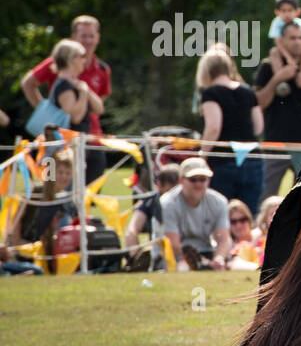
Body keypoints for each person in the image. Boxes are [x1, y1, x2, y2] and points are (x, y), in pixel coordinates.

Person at [21, 16, 112, 184]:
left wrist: (83, 89)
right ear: (74, 37)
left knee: (89, 195)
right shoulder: (59, 64)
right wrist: (48, 114)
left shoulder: (101, 68)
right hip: (66, 142)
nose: (88, 41)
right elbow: (28, 83)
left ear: (98, 38)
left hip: (91, 138)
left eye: (91, 36)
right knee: (62, 192)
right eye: (83, 36)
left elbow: (99, 107)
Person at [253, 21, 301, 202]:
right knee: (265, 197)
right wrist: (277, 79)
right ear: (282, 41)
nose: (297, 42)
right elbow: (259, 103)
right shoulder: (268, 66)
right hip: (275, 144)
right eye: (292, 38)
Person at [197, 45, 264, 207]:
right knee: (248, 216)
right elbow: (258, 127)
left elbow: (213, 127)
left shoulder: (210, 93)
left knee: (220, 212)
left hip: (223, 162)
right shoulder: (248, 91)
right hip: (253, 160)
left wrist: (202, 155)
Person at [160, 157, 232, 271]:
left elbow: (224, 239)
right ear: (181, 180)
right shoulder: (168, 203)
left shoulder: (219, 201)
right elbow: (173, 245)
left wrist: (219, 259)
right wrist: (204, 263)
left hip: (207, 252)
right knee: (183, 268)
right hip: (175, 257)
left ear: (208, 181)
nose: (198, 184)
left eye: (202, 179)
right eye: (193, 179)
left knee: (238, 265)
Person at [125, 163, 181, 271]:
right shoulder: (151, 201)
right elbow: (132, 230)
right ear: (159, 186)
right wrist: (134, 259)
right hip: (161, 254)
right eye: (170, 191)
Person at [49, 39, 102, 139]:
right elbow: (75, 118)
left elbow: (99, 108)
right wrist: (83, 94)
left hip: (79, 144)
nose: (84, 60)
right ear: (72, 59)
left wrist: (85, 89)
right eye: (81, 57)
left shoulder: (75, 84)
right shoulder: (64, 86)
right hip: (69, 147)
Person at [226, 198, 262, 269]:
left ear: (249, 219)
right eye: (233, 222)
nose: (238, 225)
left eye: (242, 220)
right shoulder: (227, 245)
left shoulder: (260, 235)